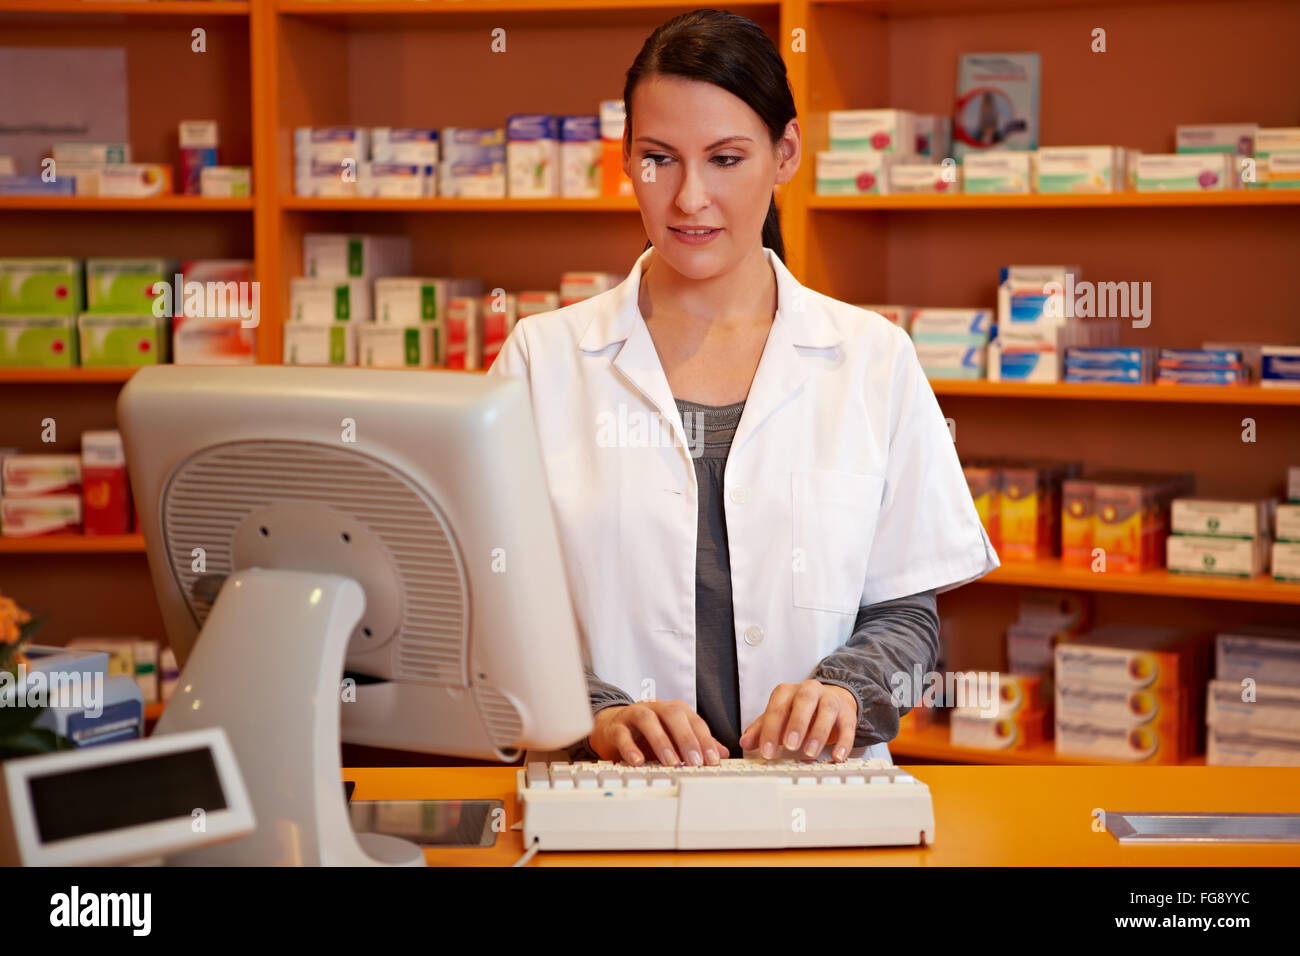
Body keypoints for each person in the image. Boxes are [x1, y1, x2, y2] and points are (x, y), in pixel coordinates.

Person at [488, 9, 999, 767]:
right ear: (626, 159)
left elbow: (906, 617)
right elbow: (493, 604)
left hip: (810, 789)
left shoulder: (872, 360)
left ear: (785, 153)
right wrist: (593, 713)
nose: (690, 198)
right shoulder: (543, 359)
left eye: (725, 159)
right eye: (660, 159)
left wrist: (846, 692)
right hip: (611, 794)